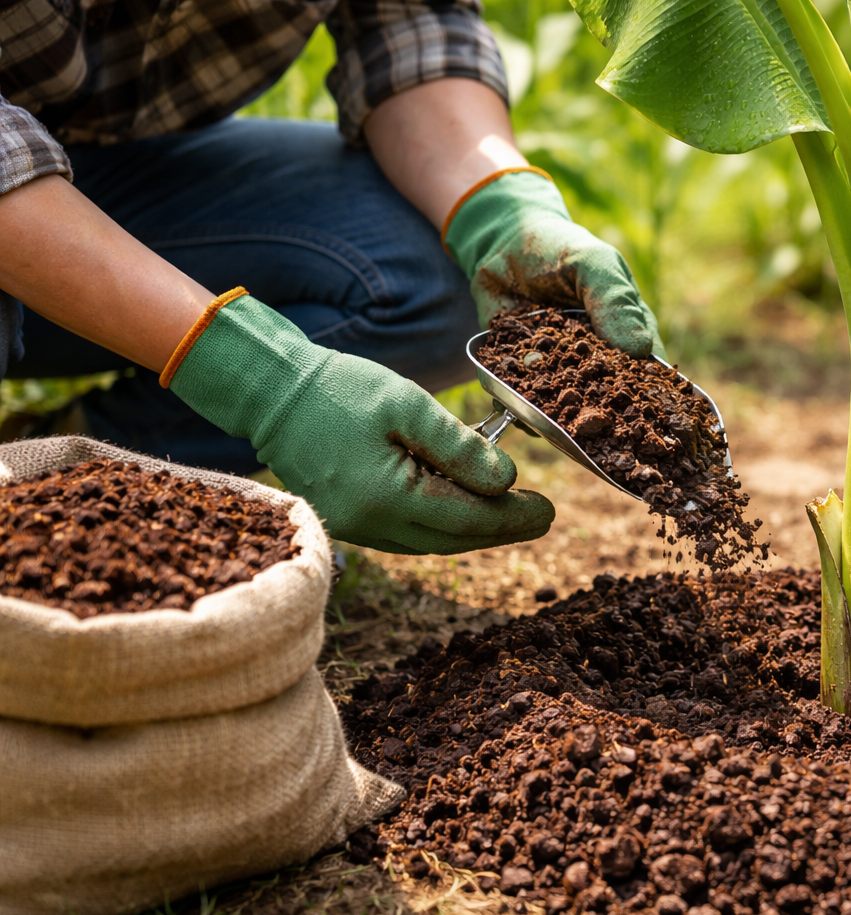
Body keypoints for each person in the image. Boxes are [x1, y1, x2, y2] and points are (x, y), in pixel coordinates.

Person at [0, 0, 661, 554]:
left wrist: (500, 212)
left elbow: (409, 25)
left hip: (113, 171)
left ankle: (77, 466)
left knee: (433, 264)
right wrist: (266, 382)